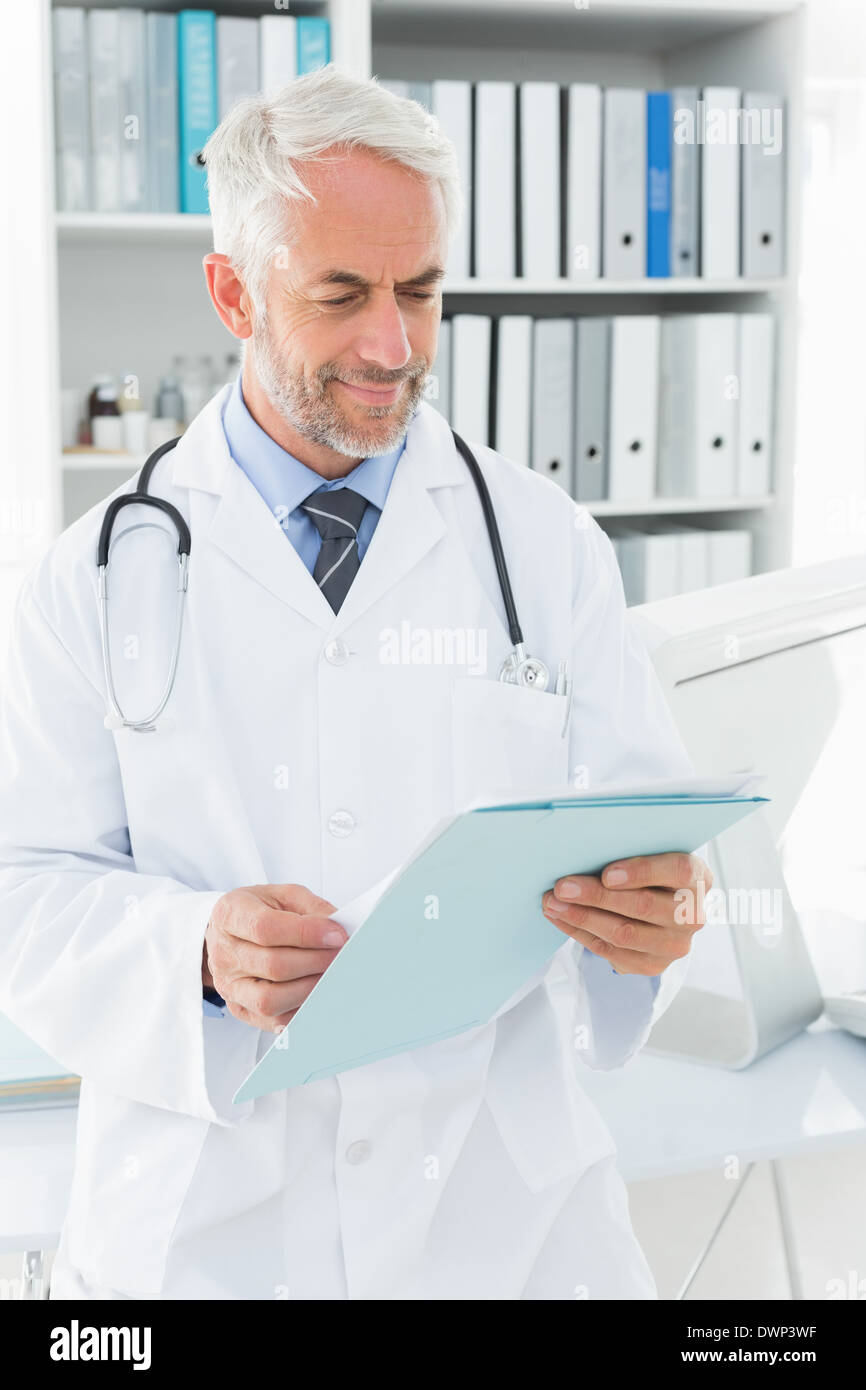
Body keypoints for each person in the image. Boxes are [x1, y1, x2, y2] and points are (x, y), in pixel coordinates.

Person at [0, 67, 709, 1300]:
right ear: (232, 291)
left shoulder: (542, 544)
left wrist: (661, 923)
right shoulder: (93, 576)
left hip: (507, 1229)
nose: (394, 346)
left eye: (420, 292)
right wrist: (195, 950)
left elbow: (650, 845)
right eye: (340, 296)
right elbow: (23, 888)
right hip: (204, 1241)